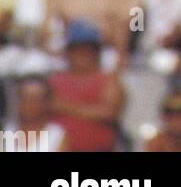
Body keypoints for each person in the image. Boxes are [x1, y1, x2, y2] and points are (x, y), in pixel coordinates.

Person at [48, 20, 125, 153]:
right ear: (68, 51)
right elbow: (42, 108)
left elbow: (109, 112)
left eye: (90, 49)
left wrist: (66, 107)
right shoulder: (54, 80)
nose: (84, 53)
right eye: (78, 49)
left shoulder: (109, 79)